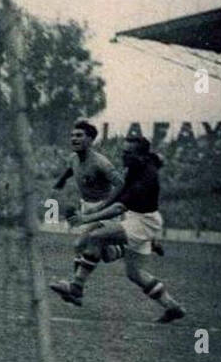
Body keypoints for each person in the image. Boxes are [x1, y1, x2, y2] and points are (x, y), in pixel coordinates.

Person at [50, 136, 185, 323]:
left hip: (144, 222)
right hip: (139, 218)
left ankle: (77, 286)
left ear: (140, 156)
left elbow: (118, 207)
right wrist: (97, 209)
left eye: (127, 153)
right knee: (134, 273)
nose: (123, 156)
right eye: (123, 151)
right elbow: (154, 161)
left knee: (95, 237)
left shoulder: (146, 178)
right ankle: (172, 307)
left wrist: (86, 218)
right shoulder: (141, 163)